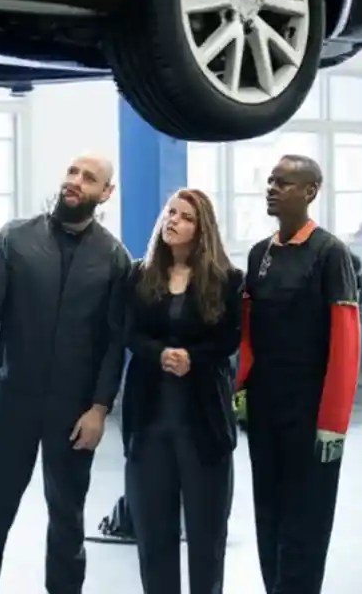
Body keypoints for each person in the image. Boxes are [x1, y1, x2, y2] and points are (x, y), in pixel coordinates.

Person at [0, 154, 133, 594]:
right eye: (72, 172)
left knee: (68, 515)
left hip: (73, 408)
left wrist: (99, 409)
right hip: (12, 396)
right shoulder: (15, 238)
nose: (75, 182)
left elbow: (115, 343)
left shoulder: (113, 258)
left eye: (89, 179)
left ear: (104, 194)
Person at [233, 154, 362, 594]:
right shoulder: (259, 254)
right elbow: (249, 330)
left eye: (284, 183)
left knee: (305, 520)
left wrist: (334, 423)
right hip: (266, 408)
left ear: (310, 192)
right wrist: (241, 388)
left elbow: (346, 341)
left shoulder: (330, 253)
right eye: (270, 181)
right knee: (268, 513)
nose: (272, 188)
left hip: (310, 411)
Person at [121, 188, 242, 594]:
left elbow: (229, 339)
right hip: (149, 422)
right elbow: (127, 330)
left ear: (201, 229)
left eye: (186, 216)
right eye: (170, 212)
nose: (173, 220)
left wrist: (193, 357)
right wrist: (159, 354)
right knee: (154, 538)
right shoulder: (139, 275)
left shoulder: (227, 280)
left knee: (207, 539)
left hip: (203, 424)